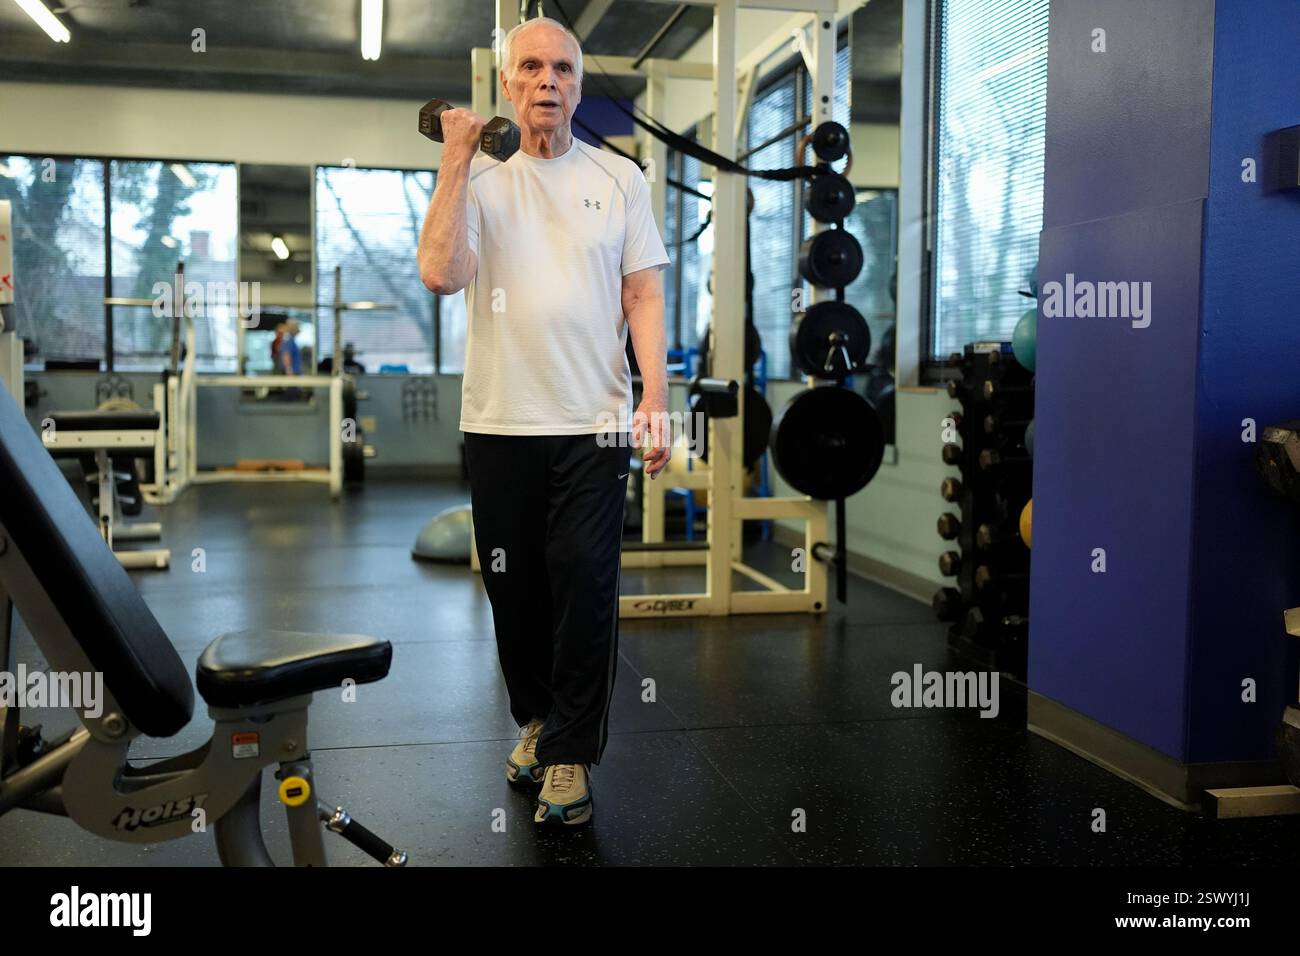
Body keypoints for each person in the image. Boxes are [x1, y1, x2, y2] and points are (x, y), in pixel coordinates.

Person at [417, 15, 671, 828]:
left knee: (586, 585)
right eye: (530, 67)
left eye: (563, 68)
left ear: (579, 85)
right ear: (506, 85)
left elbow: (643, 294)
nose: (548, 81)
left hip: (593, 424)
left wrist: (656, 398)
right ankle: (535, 719)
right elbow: (439, 272)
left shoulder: (620, 179)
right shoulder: (483, 187)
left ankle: (568, 756)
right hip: (499, 422)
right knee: (512, 587)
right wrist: (456, 155)